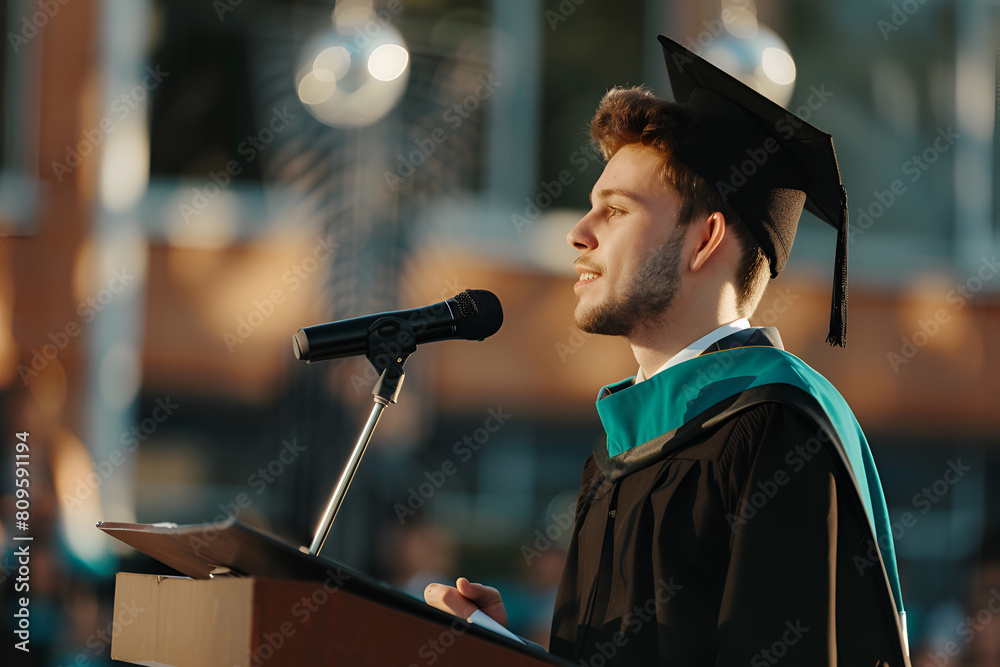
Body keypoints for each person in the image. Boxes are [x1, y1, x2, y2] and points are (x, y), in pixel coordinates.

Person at [425, 35, 909, 666]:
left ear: (705, 240)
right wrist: (508, 652)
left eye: (616, 210)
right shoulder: (622, 446)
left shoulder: (776, 428)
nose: (579, 233)